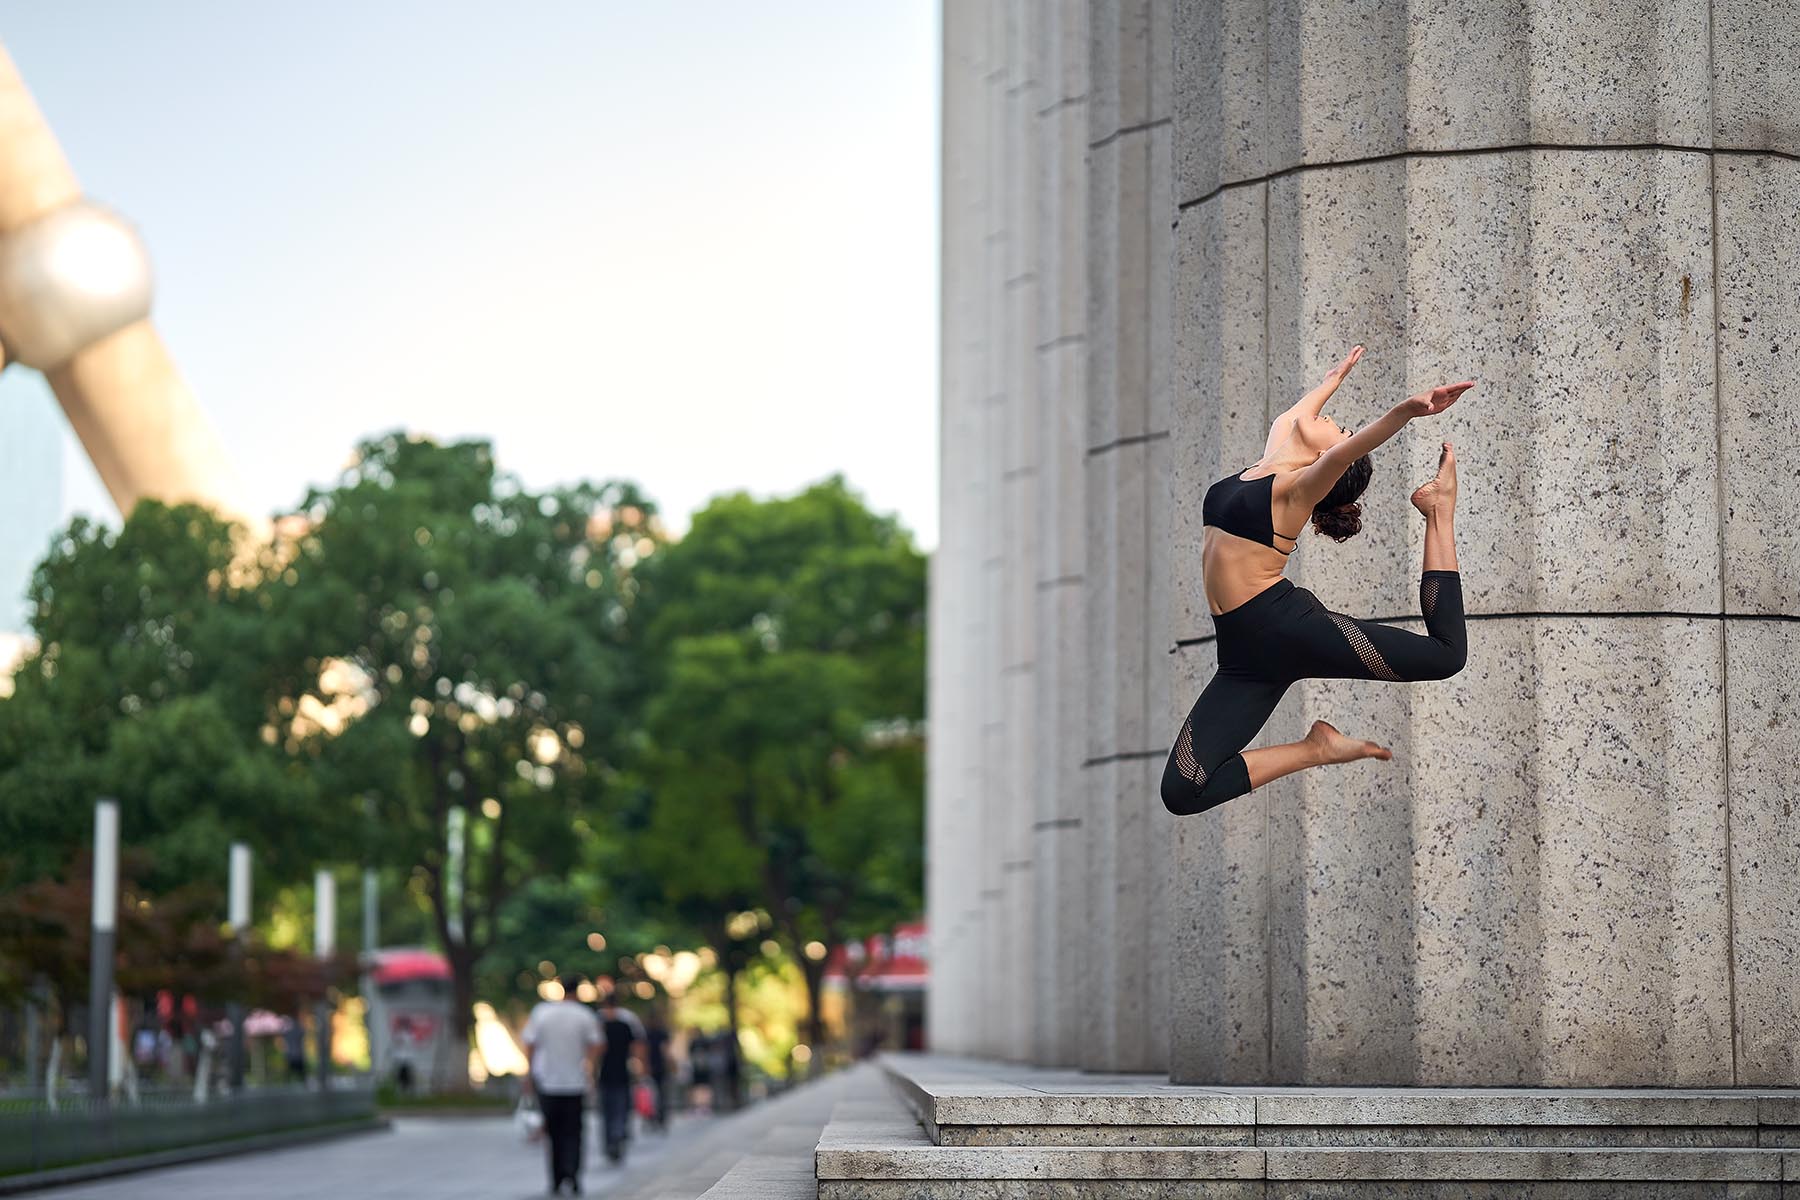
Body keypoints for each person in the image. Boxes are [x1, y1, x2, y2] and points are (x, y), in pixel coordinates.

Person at [1161, 345, 1471, 816]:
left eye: (1339, 429)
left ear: (1326, 456)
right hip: (1243, 656)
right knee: (1182, 791)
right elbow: (1291, 418)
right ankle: (1315, 749)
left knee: (1447, 655)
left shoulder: (1294, 490)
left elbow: (1351, 449)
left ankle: (1438, 510)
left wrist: (1407, 411)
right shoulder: (1272, 461)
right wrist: (1334, 379)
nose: (1334, 423)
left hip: (1285, 627)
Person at [522, 975, 602, 1196]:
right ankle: (573, 1175)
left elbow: (530, 1043)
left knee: (553, 1133)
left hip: (547, 1081)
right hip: (575, 1082)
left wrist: (528, 1073)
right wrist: (589, 1067)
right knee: (574, 1132)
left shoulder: (542, 1012)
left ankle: (556, 1179)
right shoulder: (585, 1015)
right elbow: (597, 1044)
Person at [593, 990, 647, 1163]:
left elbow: (594, 1050)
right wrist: (640, 1067)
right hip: (622, 1071)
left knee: (607, 1110)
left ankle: (611, 1139)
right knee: (620, 1107)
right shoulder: (625, 1023)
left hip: (605, 1072)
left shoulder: (599, 1023)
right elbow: (636, 1047)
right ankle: (618, 1134)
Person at [643, 1012, 671, 1131]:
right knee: (658, 1093)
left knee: (654, 1093)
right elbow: (665, 1050)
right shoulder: (655, 1033)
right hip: (657, 1066)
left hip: (654, 1066)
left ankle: (655, 1117)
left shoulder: (648, 1033)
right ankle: (657, 1116)